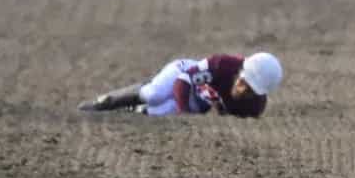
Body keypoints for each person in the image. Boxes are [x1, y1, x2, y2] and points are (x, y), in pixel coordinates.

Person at [77, 52, 283, 119]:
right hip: (182, 74)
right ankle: (105, 102)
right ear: (240, 73)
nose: (242, 91)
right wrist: (184, 111)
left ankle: (130, 111)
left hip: (200, 99)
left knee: (158, 113)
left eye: (250, 91)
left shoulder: (253, 108)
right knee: (155, 95)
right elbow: (184, 80)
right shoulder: (223, 65)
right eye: (243, 83)